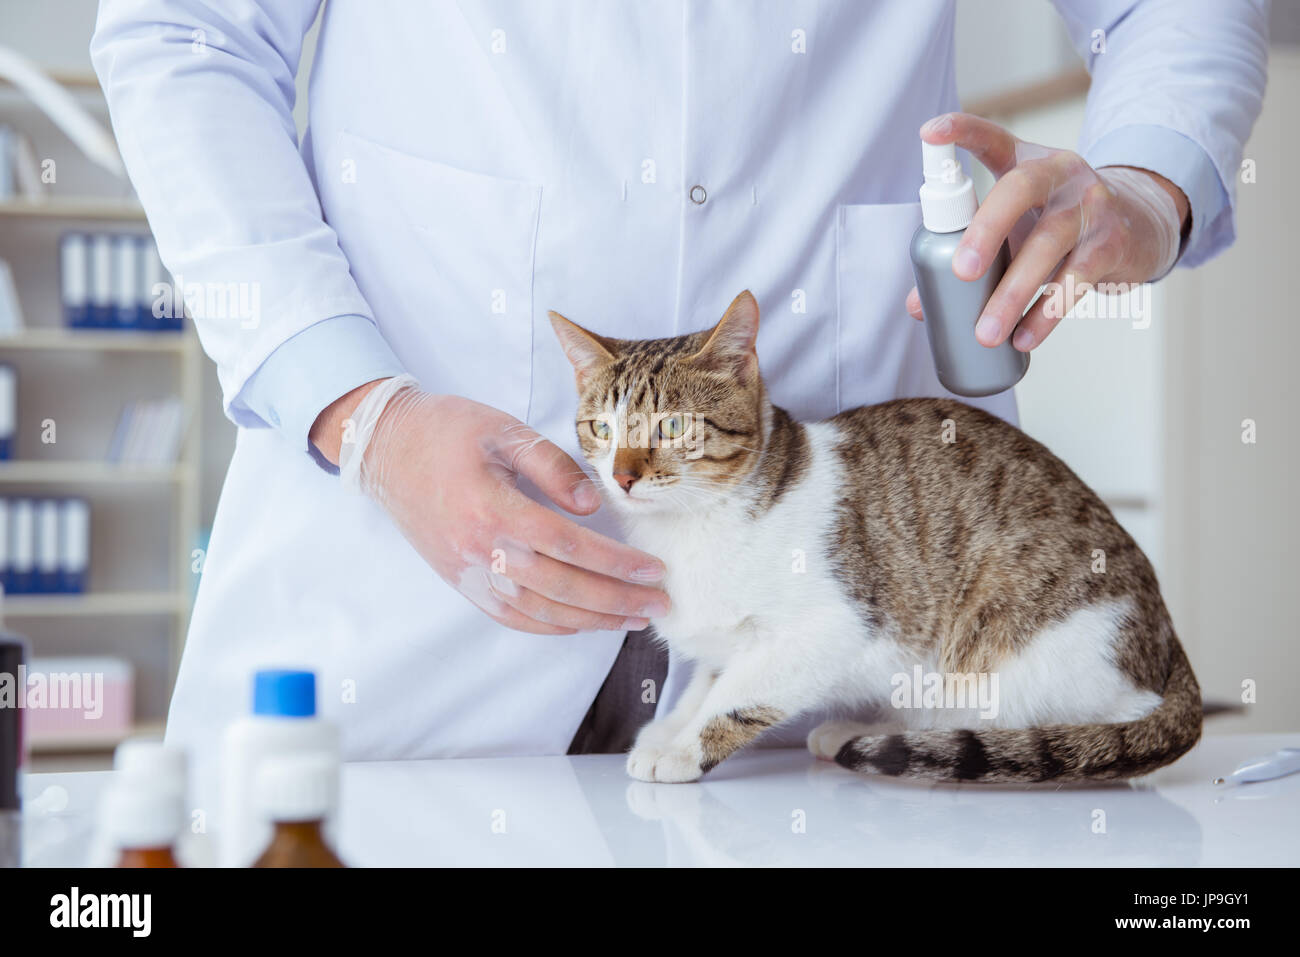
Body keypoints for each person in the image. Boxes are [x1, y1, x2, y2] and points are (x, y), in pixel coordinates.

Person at [90, 1, 1268, 765]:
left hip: (835, 622)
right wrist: (359, 412)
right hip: (406, 570)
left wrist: (1146, 186)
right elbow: (181, 30)